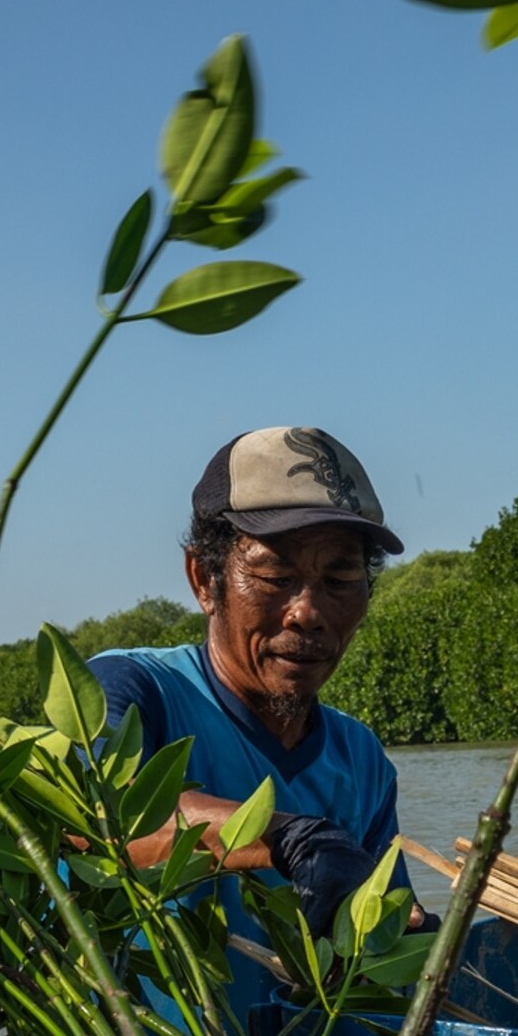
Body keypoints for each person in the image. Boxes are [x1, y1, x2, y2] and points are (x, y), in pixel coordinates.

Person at [86, 426, 422, 998]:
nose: (307, 613)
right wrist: (286, 838)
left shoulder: (360, 758)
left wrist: (402, 945)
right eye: (274, 577)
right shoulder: (130, 689)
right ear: (204, 580)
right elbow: (103, 820)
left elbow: (384, 940)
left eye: (339, 579)